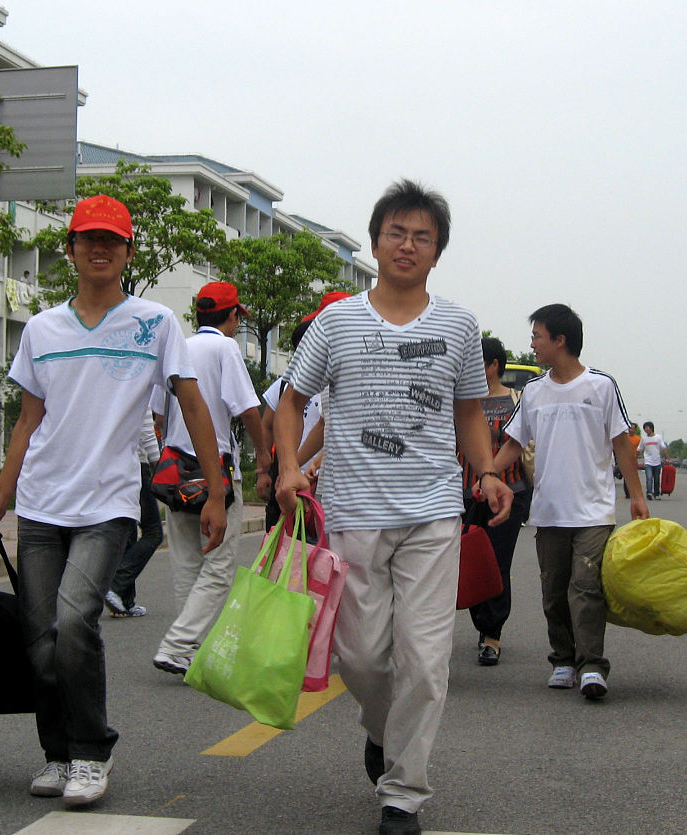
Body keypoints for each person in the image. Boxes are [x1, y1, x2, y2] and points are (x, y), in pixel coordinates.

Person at [0, 194, 227, 806]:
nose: (100, 248)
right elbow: (29, 422)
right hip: (39, 503)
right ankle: (56, 755)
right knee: (39, 636)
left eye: (111, 240)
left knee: (75, 618)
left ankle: (91, 753)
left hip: (108, 503)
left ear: (128, 251)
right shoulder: (42, 328)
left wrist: (217, 491)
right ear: (71, 250)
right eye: (88, 239)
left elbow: (191, 404)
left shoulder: (155, 324)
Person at [273, 179, 513, 835]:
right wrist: (291, 466)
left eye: (423, 236)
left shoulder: (459, 324)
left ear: (437, 251)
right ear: (376, 241)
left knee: (425, 656)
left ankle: (402, 792)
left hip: (433, 510)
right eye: (397, 232)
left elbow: (470, 412)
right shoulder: (337, 321)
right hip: (350, 511)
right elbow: (292, 400)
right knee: (363, 656)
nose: (408, 245)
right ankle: (383, 730)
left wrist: (487, 468)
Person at [493, 303, 647, 703]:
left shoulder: (601, 386)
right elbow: (513, 441)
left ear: (560, 340)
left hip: (594, 509)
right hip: (549, 510)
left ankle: (592, 665)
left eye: (537, 337)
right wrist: (489, 476)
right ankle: (563, 657)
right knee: (554, 590)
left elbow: (620, 444)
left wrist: (637, 497)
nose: (532, 344)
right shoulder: (534, 391)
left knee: (586, 587)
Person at [151, 281, 271, 676]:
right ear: (231, 315)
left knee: (187, 563)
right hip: (214, 470)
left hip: (174, 469)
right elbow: (247, 409)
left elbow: (157, 413)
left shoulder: (178, 346)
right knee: (218, 567)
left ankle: (189, 651)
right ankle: (178, 644)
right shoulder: (225, 348)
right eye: (238, 317)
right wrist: (266, 458)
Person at [459, 336, 531, 667]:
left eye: (476, 362)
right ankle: (480, 622)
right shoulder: (461, 402)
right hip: (463, 494)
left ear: (493, 366)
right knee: (469, 563)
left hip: (507, 495)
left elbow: (519, 445)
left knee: (497, 562)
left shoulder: (516, 402)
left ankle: (491, 634)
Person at [259, 291, 352, 527]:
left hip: (351, 495)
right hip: (319, 488)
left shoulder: (356, 372)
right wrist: (289, 469)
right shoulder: (319, 376)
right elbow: (323, 425)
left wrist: (317, 460)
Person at [104, 411, 163, 617]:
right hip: (137, 464)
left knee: (128, 529)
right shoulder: (137, 379)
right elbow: (146, 425)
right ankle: (115, 584)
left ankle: (125, 602)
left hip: (112, 465)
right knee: (154, 532)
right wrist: (157, 461)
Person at [638, 421, 671, 500]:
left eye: (647, 428)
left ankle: (656, 494)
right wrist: (634, 458)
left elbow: (664, 448)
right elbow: (639, 449)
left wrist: (668, 458)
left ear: (651, 428)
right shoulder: (644, 439)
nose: (646, 430)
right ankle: (649, 492)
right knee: (649, 478)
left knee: (656, 479)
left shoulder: (658, 437)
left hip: (657, 462)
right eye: (644, 428)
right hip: (648, 462)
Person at [622, 422, 641, 498]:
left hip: (633, 459)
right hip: (625, 459)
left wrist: (636, 457)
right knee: (626, 476)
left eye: (632, 428)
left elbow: (640, 450)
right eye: (630, 428)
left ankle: (632, 492)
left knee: (633, 477)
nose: (631, 430)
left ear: (635, 430)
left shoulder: (638, 439)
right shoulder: (625, 438)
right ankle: (627, 493)